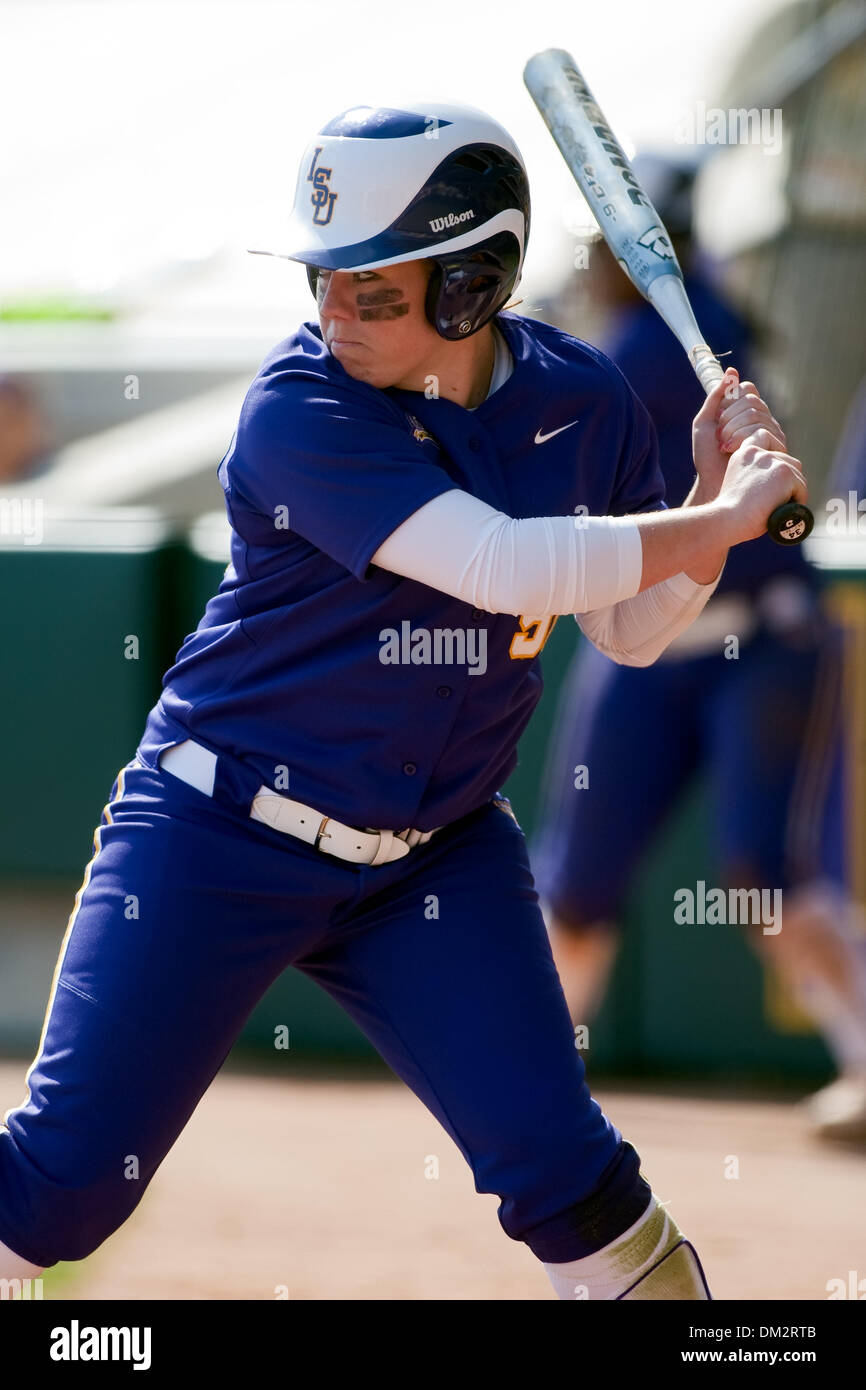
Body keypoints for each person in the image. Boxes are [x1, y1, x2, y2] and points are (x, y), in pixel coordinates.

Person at [0, 103, 806, 1301]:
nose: (336, 313)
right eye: (325, 280)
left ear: (473, 286)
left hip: (433, 859)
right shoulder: (299, 408)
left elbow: (632, 633)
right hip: (219, 831)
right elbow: (504, 563)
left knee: (569, 1176)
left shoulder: (580, 397)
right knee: (62, 1186)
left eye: (375, 289)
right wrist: (720, 517)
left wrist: (698, 494)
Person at [531, 152, 866, 1139]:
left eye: (609, 245)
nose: (597, 261)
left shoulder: (687, 333)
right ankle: (535, 1088)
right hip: (648, 643)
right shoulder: (641, 338)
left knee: (765, 876)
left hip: (760, 638)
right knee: (578, 884)